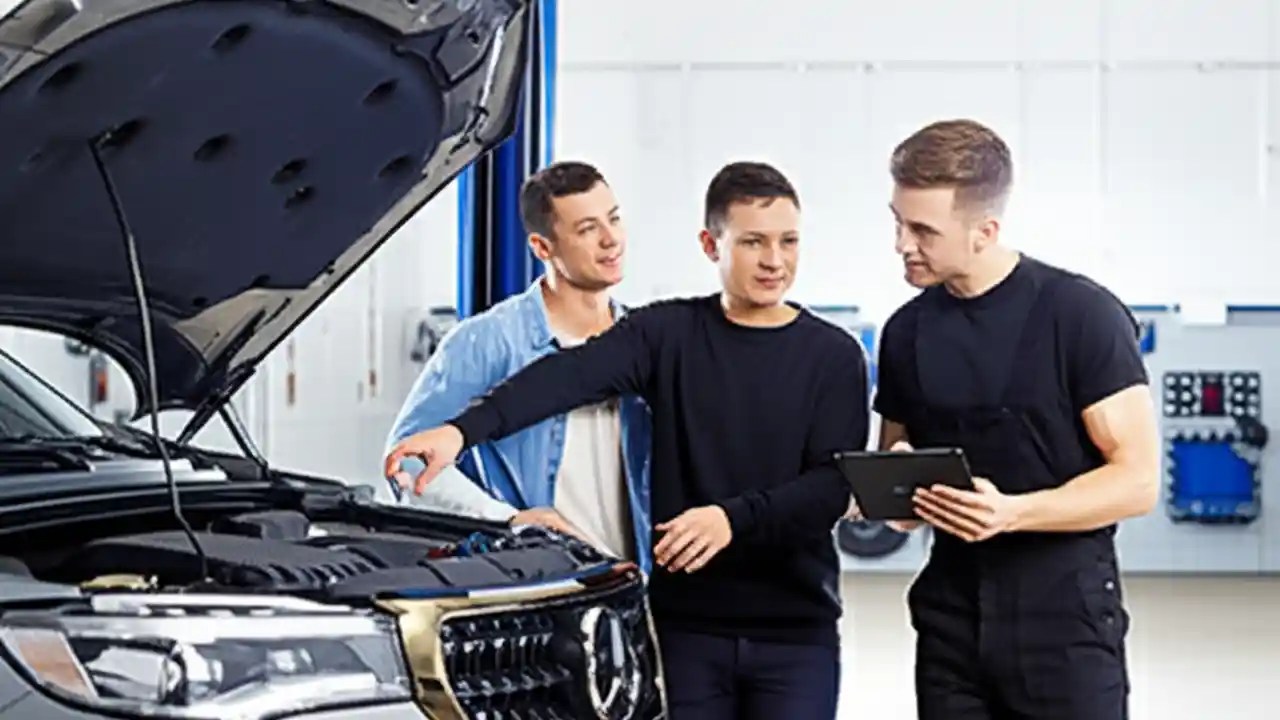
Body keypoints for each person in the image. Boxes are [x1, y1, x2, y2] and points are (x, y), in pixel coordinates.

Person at [385, 160, 869, 720]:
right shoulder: (664, 334)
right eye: (754, 241)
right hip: (681, 627)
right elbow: (564, 376)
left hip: (795, 631)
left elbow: (832, 486)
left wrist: (730, 519)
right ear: (711, 244)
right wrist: (459, 431)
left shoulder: (835, 356)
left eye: (789, 241)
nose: (775, 260)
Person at [873, 118, 1160, 719]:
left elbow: (1137, 480)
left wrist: (1013, 512)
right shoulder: (905, 332)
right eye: (897, 222)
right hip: (950, 620)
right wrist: (893, 495)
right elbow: (896, 483)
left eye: (922, 230)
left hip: (1065, 621)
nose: (902, 243)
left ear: (986, 230)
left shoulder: (1081, 316)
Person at [383, 160, 653, 571]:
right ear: (543, 248)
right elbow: (409, 462)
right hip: (542, 583)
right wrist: (506, 521)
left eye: (613, 219)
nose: (611, 239)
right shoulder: (485, 342)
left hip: (635, 587)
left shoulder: (646, 340)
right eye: (587, 229)